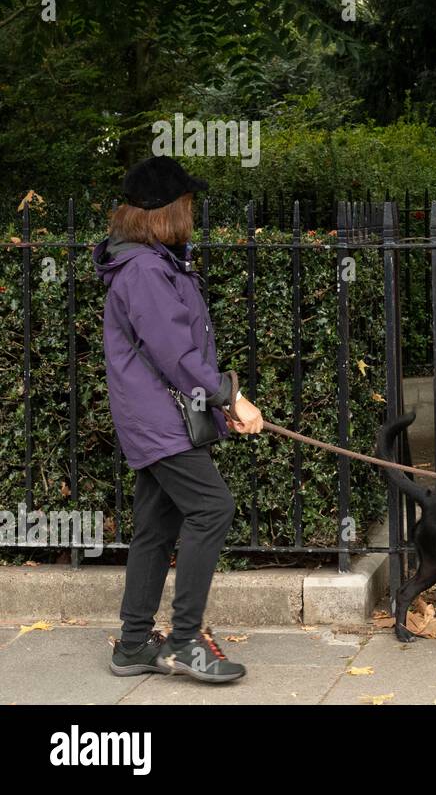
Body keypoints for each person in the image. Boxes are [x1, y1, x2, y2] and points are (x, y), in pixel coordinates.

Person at [92, 156, 264, 683]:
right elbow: (174, 351)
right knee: (213, 507)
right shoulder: (145, 269)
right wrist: (228, 398)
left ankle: (134, 644)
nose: (192, 213)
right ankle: (184, 641)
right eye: (186, 204)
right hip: (159, 420)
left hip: (159, 416)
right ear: (164, 212)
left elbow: (176, 347)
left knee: (155, 527)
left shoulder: (156, 262)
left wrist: (217, 399)